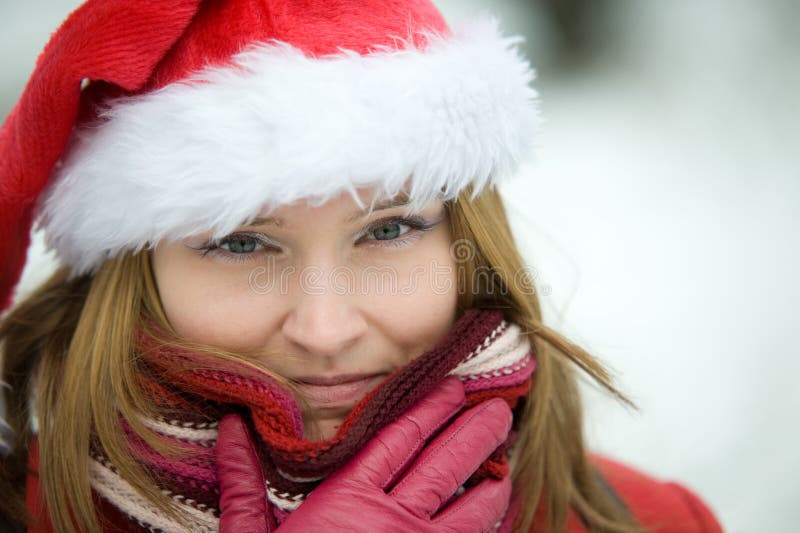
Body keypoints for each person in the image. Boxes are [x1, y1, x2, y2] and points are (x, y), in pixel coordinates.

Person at [0, 1, 724, 532]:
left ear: (466, 246)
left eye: (389, 230)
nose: (326, 328)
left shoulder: (656, 520)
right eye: (240, 242)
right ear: (136, 272)